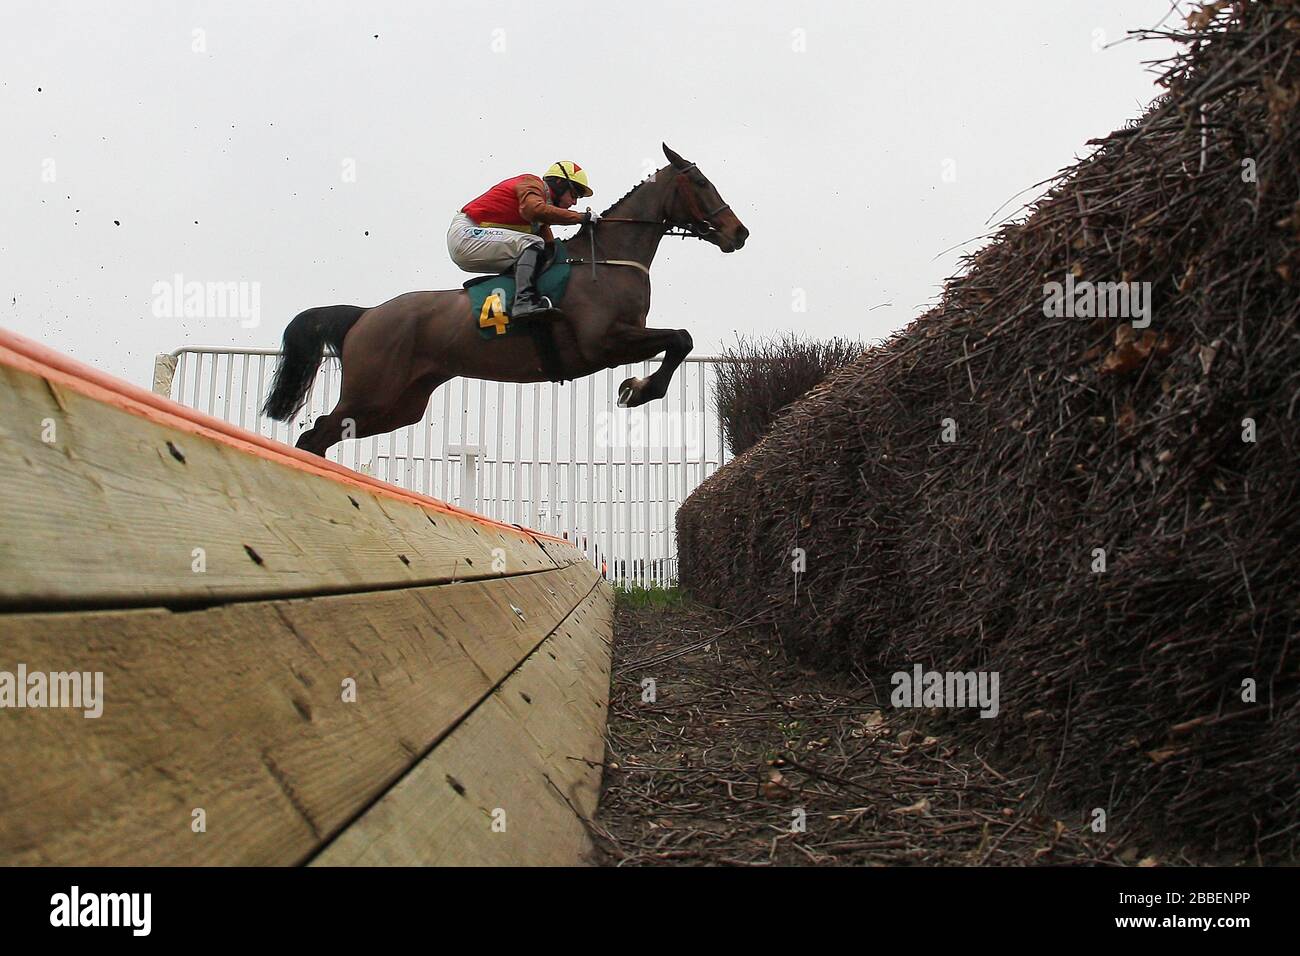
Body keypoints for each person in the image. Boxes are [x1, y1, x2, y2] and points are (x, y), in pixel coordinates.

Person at [447, 161, 596, 319]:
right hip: (466, 233)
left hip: (474, 241)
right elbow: (534, 210)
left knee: (540, 253)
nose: (574, 202)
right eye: (574, 195)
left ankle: (517, 302)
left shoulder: (540, 218)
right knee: (533, 244)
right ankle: (523, 302)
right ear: (559, 183)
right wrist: (581, 217)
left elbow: (551, 248)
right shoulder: (531, 183)